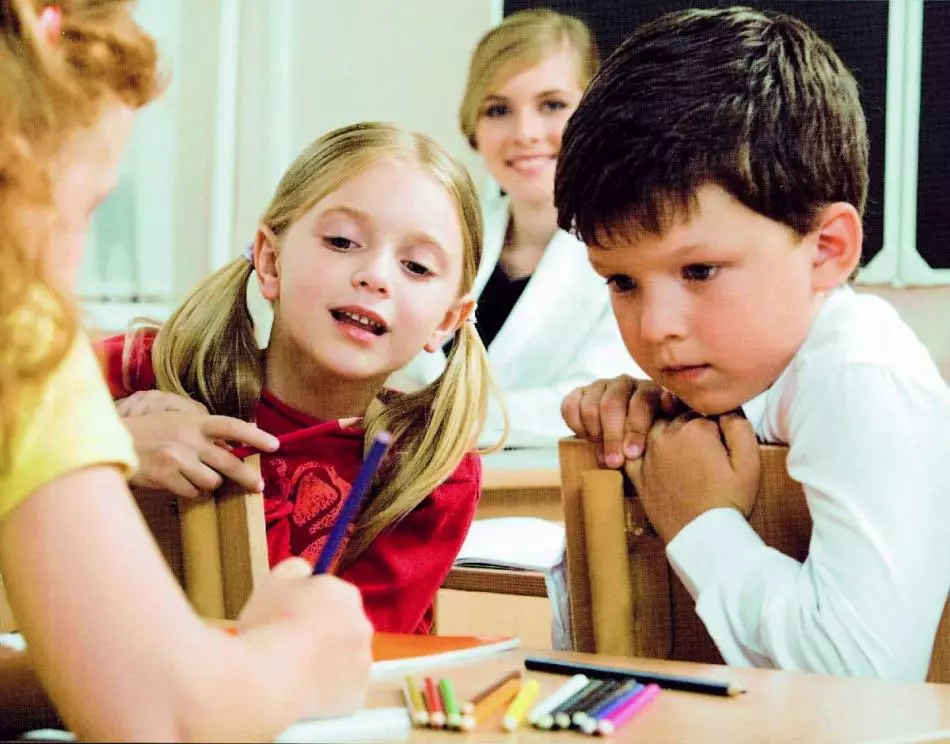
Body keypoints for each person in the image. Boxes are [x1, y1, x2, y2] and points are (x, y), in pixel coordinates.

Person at [0, 1, 372, 740]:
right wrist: (297, 656)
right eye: (86, 208)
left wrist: (104, 665)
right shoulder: (23, 343)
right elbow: (171, 721)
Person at [555, 6, 950, 681]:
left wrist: (698, 521)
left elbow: (863, 679)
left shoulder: (860, 375)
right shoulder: (745, 380)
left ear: (828, 250)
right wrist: (644, 442)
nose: (656, 327)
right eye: (621, 280)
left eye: (699, 271)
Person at [99, 121, 500, 635]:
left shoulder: (430, 469)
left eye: (417, 267)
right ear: (270, 260)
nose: (375, 275)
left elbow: (326, 653)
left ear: (446, 320)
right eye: (341, 241)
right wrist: (112, 442)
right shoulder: (158, 368)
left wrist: (235, 467)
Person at [389, 8, 641, 447]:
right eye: (499, 109)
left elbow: (592, 406)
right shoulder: (443, 235)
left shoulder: (636, 247)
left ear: (595, 114)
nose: (524, 133)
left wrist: (427, 413)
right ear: (475, 125)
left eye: (552, 105)